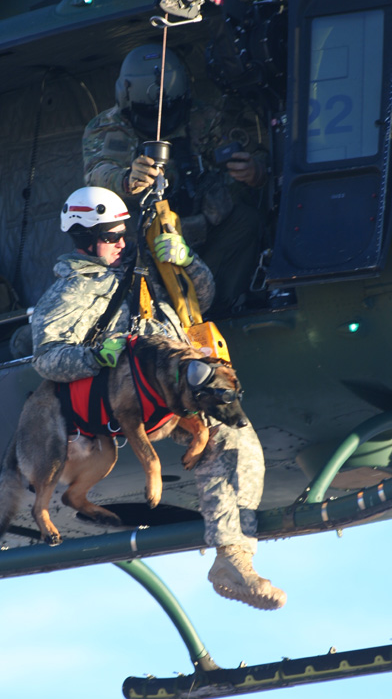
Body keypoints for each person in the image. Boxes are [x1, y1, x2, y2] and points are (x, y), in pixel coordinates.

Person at [31, 185, 286, 610]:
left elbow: (197, 300)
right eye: (112, 237)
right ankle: (232, 557)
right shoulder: (71, 291)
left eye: (122, 234)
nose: (121, 243)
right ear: (87, 240)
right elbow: (46, 358)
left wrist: (186, 260)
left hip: (178, 376)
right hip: (137, 394)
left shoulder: (140, 268)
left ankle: (233, 557)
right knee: (224, 428)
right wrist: (94, 357)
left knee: (236, 439)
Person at [82, 44, 269, 315]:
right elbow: (97, 172)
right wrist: (126, 179)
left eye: (170, 109)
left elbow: (254, 152)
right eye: (148, 111)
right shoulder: (107, 128)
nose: (160, 118)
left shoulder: (203, 118)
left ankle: (224, 308)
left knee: (247, 221)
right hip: (144, 240)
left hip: (206, 225)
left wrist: (256, 171)